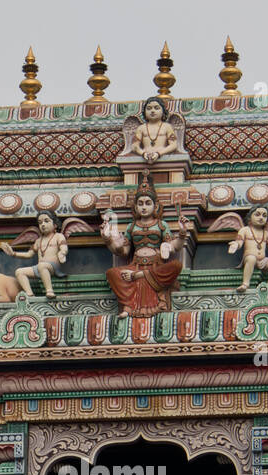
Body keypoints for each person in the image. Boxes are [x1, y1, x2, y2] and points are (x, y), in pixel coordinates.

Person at [101, 174, 192, 318]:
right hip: (135, 264)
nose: (144, 207)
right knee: (112, 273)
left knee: (176, 266)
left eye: (148, 203)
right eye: (140, 203)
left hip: (156, 265)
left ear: (155, 206)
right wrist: (108, 240)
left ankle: (139, 276)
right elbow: (123, 251)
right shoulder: (132, 227)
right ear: (135, 207)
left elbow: (173, 246)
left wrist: (182, 232)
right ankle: (129, 306)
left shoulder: (161, 225)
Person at [0, 210, 68, 299]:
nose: (43, 224)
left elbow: (64, 247)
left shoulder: (58, 236)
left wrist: (62, 253)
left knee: (42, 266)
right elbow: (29, 254)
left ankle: (49, 291)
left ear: (55, 224)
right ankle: (29, 294)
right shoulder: (38, 241)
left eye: (46, 221)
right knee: (19, 272)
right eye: (40, 223)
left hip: (53, 266)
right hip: (40, 267)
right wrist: (13, 253)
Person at [129, 96, 177, 163]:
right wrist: (143, 153)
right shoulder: (141, 128)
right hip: (145, 158)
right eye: (149, 108)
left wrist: (159, 153)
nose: (152, 111)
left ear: (163, 111)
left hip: (163, 158)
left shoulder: (167, 127)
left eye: (156, 108)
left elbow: (173, 145)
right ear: (144, 112)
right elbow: (134, 146)